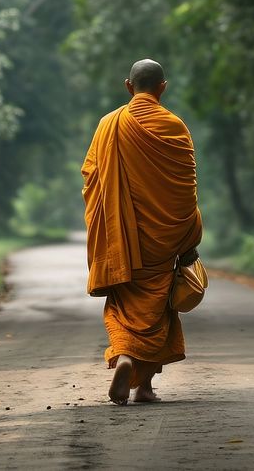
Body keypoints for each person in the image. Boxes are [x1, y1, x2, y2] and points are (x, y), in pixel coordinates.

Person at [81, 59, 203, 405]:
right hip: (162, 243)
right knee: (159, 311)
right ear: (163, 87)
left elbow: (92, 180)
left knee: (122, 307)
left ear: (128, 86)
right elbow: (185, 192)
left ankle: (125, 358)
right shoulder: (174, 126)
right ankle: (144, 385)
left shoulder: (108, 125)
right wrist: (190, 235)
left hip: (122, 239)